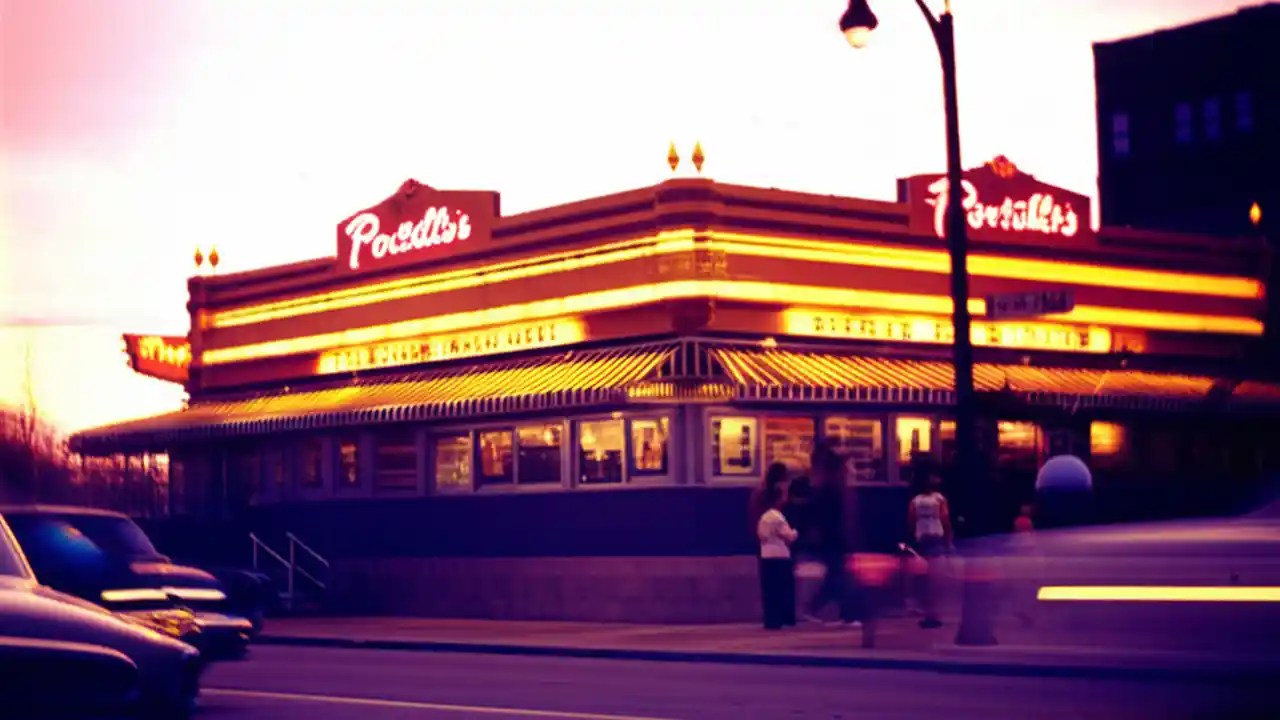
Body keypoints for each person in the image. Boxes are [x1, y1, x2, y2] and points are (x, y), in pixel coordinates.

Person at [802, 439, 859, 627]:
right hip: (835, 539)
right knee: (838, 576)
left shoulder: (826, 487)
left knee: (838, 575)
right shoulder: (833, 489)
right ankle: (835, 611)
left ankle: (843, 612)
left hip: (833, 538)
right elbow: (835, 516)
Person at [908, 463, 952, 629]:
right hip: (936, 537)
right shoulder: (939, 499)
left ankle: (926, 611)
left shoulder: (915, 501)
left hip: (921, 539)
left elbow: (911, 522)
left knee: (923, 578)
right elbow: (945, 520)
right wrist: (949, 541)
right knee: (936, 579)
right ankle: (934, 613)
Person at [750, 463, 795, 626]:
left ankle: (772, 618)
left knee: (769, 585)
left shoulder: (758, 496)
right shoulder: (776, 501)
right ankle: (784, 616)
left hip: (763, 547)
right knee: (782, 583)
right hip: (780, 549)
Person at [757, 486, 799, 630]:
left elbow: (762, 536)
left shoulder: (764, 518)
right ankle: (784, 619)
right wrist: (795, 532)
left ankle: (771, 620)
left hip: (765, 556)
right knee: (782, 589)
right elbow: (789, 536)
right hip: (780, 556)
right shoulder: (778, 517)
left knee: (770, 591)